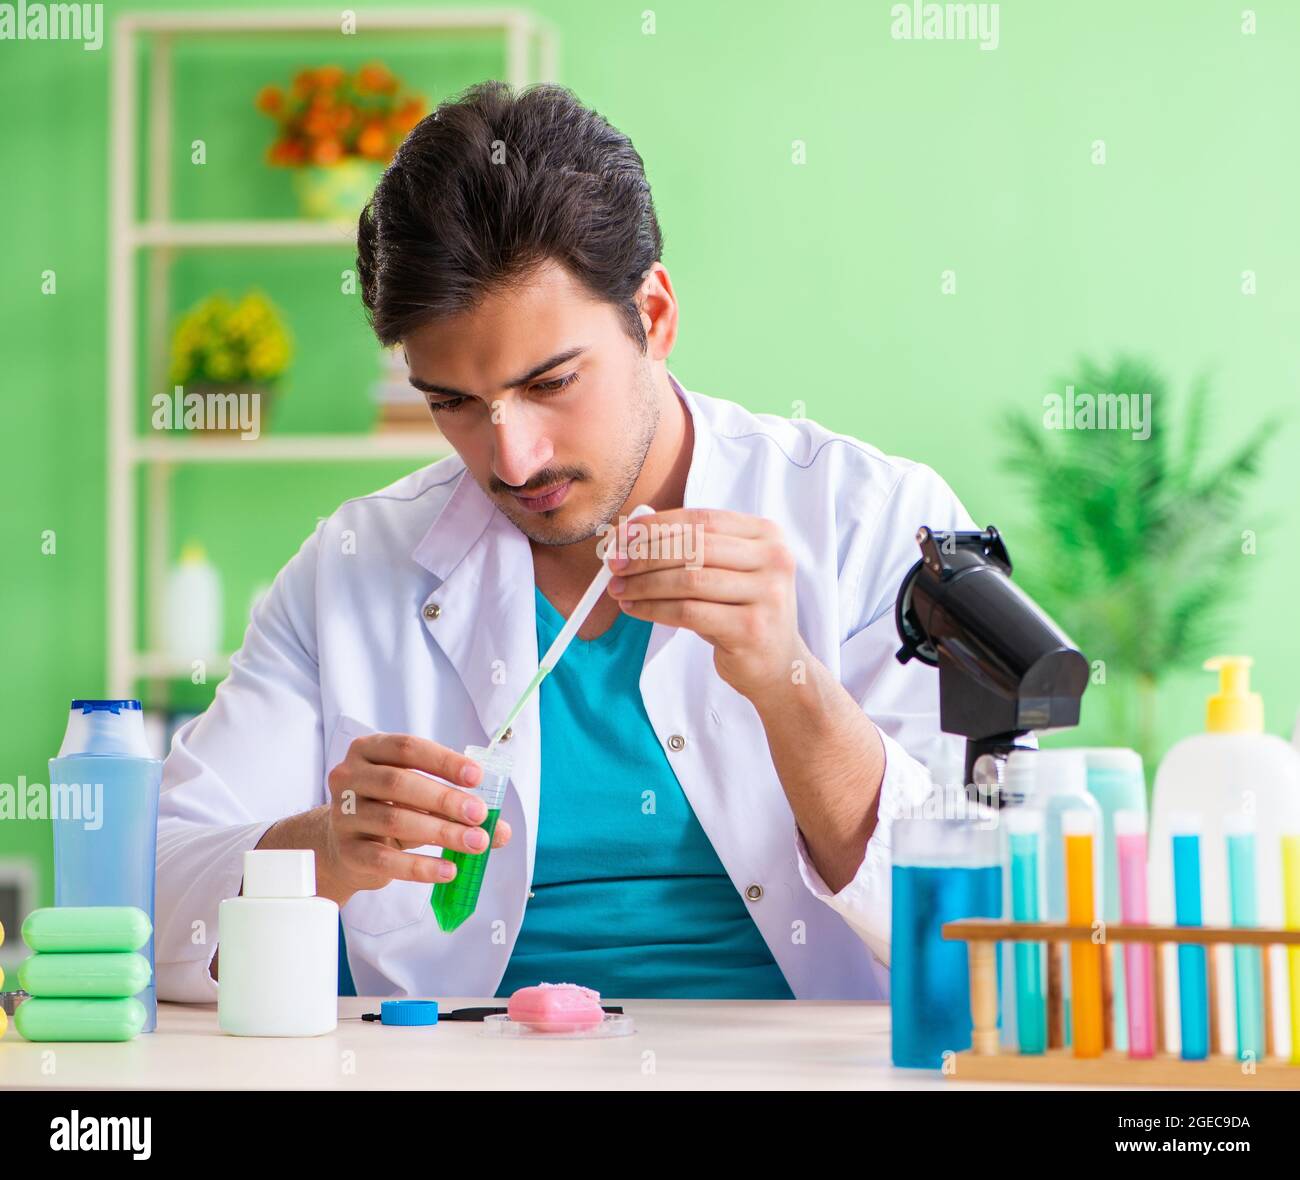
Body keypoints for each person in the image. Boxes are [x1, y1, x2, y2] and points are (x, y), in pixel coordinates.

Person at [155, 81, 975, 1004]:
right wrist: (329, 847)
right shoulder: (353, 567)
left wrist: (791, 684)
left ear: (653, 317)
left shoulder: (869, 522)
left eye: (550, 383)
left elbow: (973, 927)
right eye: (453, 404)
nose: (511, 458)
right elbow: (160, 893)